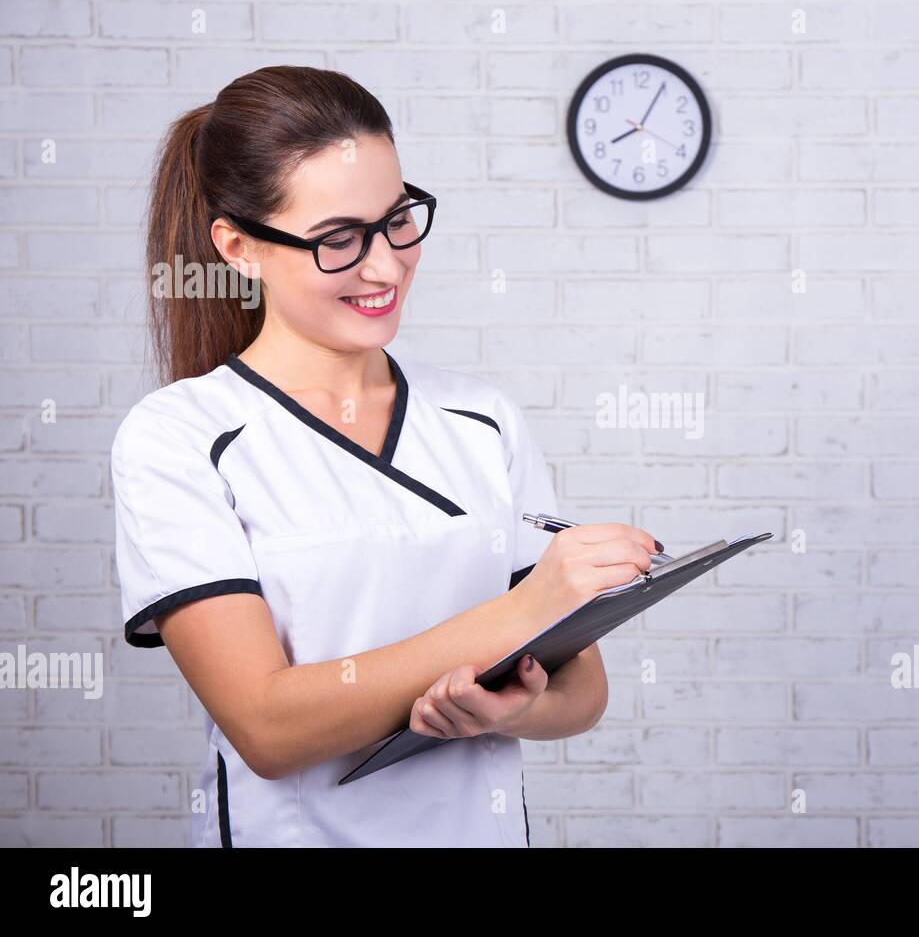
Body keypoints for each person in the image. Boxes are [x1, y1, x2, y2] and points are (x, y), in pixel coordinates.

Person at [111, 65, 660, 847]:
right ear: (238, 247)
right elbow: (265, 726)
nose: (385, 265)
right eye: (338, 239)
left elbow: (584, 688)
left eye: (398, 220)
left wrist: (521, 708)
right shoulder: (179, 437)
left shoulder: (482, 421)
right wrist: (521, 614)